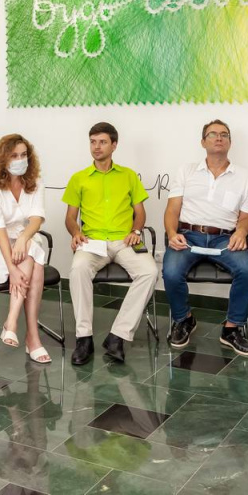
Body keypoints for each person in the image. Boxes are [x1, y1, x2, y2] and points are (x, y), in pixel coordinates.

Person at [63, 122, 157, 366]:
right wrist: (76, 233)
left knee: (150, 271)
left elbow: (140, 212)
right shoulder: (79, 178)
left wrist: (136, 230)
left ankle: (118, 336)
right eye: (93, 142)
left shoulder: (128, 176)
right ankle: (84, 338)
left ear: (114, 145)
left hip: (124, 240)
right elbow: (70, 217)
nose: (97, 147)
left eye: (103, 142)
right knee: (78, 269)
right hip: (92, 242)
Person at [162, 119, 248, 355]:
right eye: (213, 134)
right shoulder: (186, 171)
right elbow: (172, 210)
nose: (219, 138)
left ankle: (232, 329)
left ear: (230, 142)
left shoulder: (245, 176)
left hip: (224, 239)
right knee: (171, 272)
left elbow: (246, 218)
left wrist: (241, 232)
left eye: (224, 135)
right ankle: (184, 319)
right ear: (203, 142)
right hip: (188, 235)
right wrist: (172, 234)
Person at [0, 134, 51, 364]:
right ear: (3, 159)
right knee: (33, 263)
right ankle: (31, 338)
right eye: (14, 156)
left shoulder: (35, 183)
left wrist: (23, 238)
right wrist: (12, 268)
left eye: (24, 155)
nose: (20, 160)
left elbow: (36, 219)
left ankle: (12, 322)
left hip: (24, 238)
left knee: (30, 253)